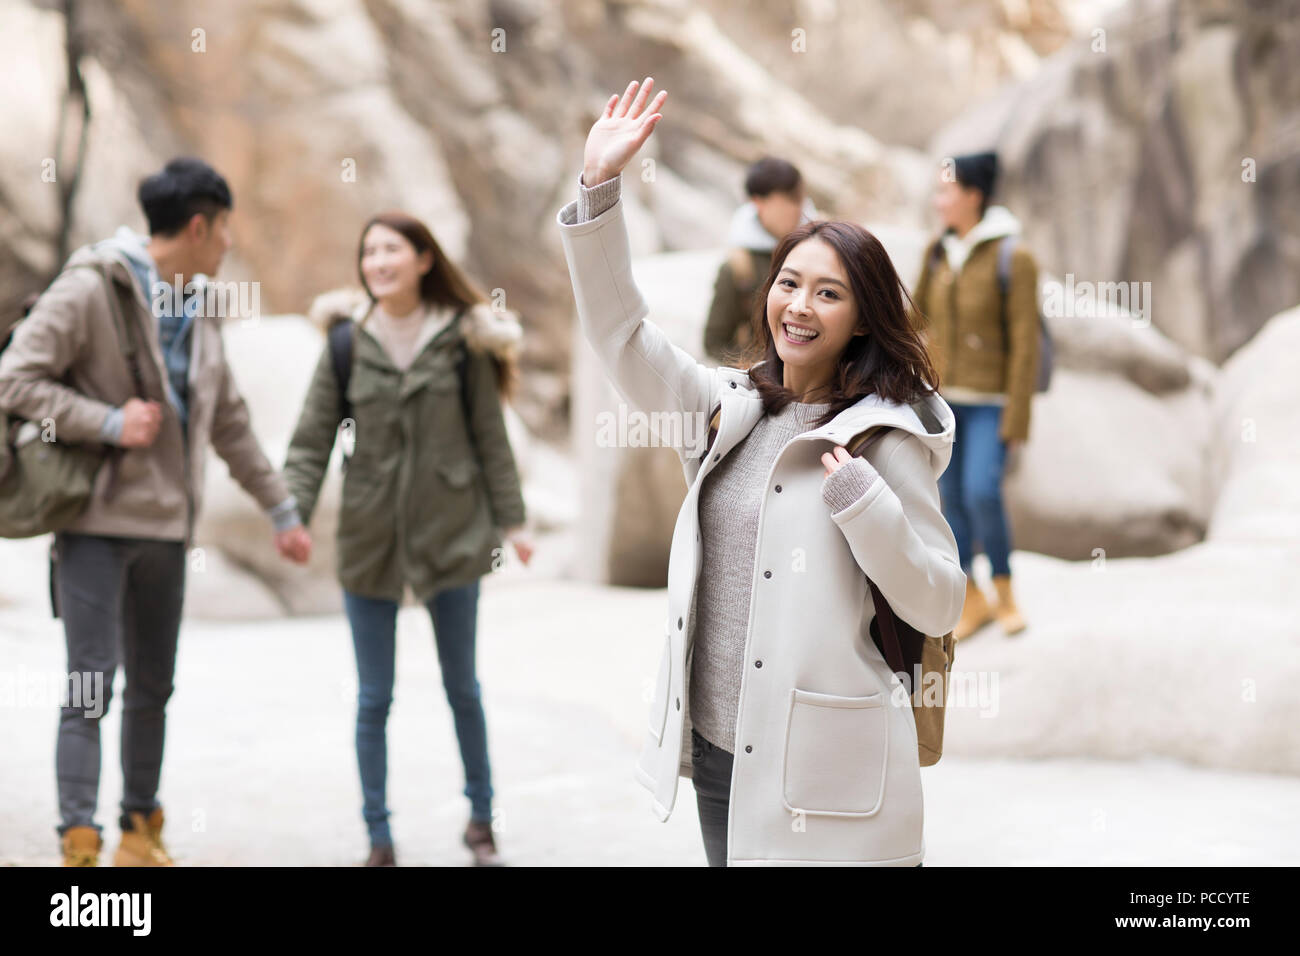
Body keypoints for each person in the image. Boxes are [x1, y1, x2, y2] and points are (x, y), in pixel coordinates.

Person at [558, 78, 965, 866]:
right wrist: (599, 189)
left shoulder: (887, 437)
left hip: (826, 761)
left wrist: (864, 508)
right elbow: (618, 333)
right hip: (717, 750)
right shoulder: (723, 408)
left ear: (862, 319)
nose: (799, 306)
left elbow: (940, 599)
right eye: (788, 283)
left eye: (828, 292)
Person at [0, 157, 311, 867]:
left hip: (169, 534)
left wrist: (282, 511)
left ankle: (140, 835)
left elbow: (228, 421)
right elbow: (14, 377)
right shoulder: (90, 288)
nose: (229, 243)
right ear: (199, 226)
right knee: (89, 683)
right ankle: (79, 840)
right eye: (225, 228)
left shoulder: (198, 310)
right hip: (94, 527)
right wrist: (107, 422)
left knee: (152, 688)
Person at [282, 210, 534, 867]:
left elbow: (490, 438)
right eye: (369, 252)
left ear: (424, 259)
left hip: (452, 533)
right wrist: (292, 514)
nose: (378, 262)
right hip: (369, 536)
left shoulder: (463, 343)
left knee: (463, 688)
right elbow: (311, 438)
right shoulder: (344, 342)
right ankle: (378, 836)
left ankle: (481, 821)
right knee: (373, 698)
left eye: (392, 249)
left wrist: (514, 522)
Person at [910, 151, 1038, 641]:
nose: (939, 200)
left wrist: (1017, 422)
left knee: (984, 494)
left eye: (947, 191)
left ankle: (1005, 594)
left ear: (974, 196)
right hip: (944, 404)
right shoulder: (938, 251)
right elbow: (914, 319)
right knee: (951, 503)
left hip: (991, 403)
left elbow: (1025, 345)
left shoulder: (1013, 257)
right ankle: (973, 599)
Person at [703, 157, 815, 365]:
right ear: (758, 202)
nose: (799, 207)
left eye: (800, 197)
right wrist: (758, 373)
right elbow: (714, 343)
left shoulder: (824, 251)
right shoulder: (738, 268)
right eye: (789, 199)